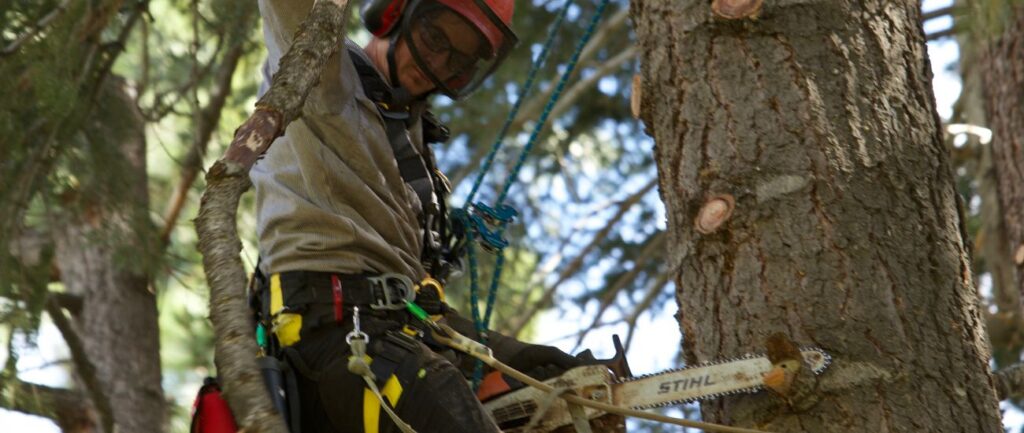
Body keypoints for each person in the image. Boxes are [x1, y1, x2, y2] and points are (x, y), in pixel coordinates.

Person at [248, 0, 585, 431]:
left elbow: (415, 305)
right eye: (435, 38)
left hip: (394, 339)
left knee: (558, 408)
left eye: (459, 60)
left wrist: (515, 355)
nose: (439, 63)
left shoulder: (413, 149)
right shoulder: (323, 74)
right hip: (328, 338)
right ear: (394, 13)